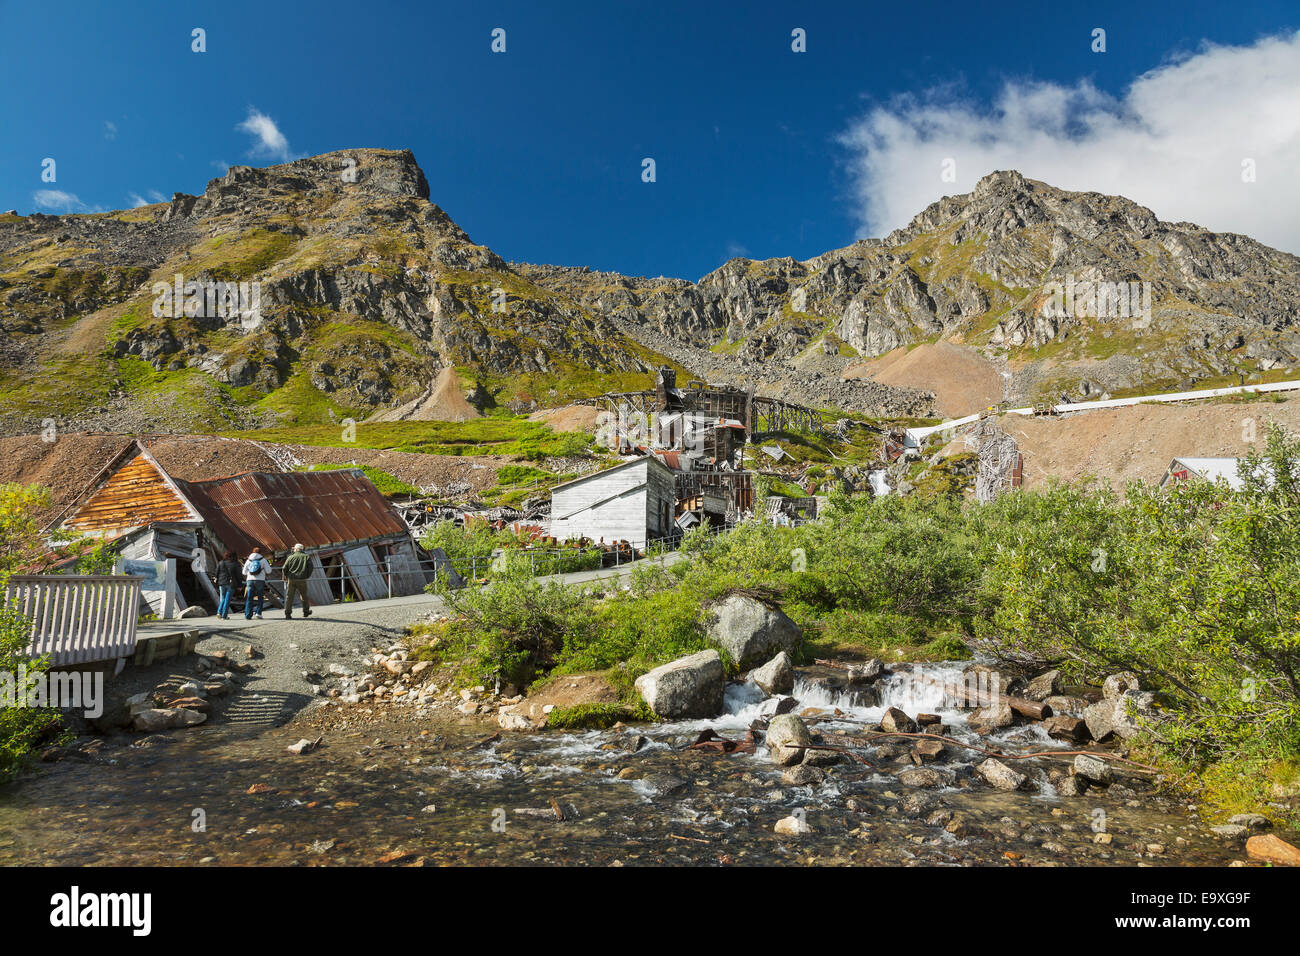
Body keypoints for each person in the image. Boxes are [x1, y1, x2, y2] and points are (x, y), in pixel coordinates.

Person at [281, 543, 313, 619]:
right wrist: (306, 576)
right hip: (302, 579)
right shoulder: (306, 557)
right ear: (302, 549)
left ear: (296, 549)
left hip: (291, 579)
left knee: (289, 597)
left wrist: (285, 576)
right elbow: (311, 568)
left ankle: (288, 614)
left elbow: (284, 568)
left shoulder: (290, 557)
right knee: (304, 596)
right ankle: (306, 612)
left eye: (294, 548)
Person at [243, 547, 268, 619]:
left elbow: (244, 572)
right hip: (260, 580)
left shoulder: (248, 560)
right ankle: (258, 613)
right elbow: (269, 571)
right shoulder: (263, 560)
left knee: (249, 597)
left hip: (250, 580)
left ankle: (248, 615)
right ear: (260, 553)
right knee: (260, 597)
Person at [215, 549, 241, 620]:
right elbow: (239, 575)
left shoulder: (221, 563)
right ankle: (224, 616)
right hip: (231, 584)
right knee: (227, 600)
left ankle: (219, 612)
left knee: (223, 598)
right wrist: (239, 585)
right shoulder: (236, 564)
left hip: (221, 583)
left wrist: (217, 579)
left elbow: (216, 572)